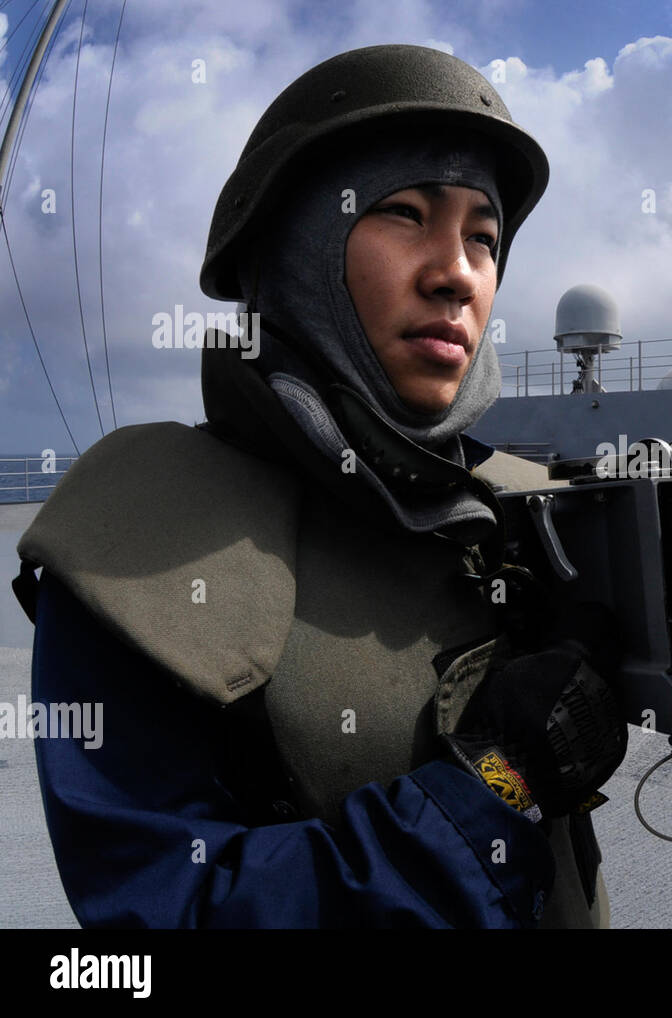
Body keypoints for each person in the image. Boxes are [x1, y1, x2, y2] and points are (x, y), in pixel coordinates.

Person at [14, 45, 628, 929]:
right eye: (405, 213)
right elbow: (158, 909)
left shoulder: (520, 503)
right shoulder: (147, 530)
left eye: (484, 237)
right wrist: (496, 785)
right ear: (295, 252)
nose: (457, 270)